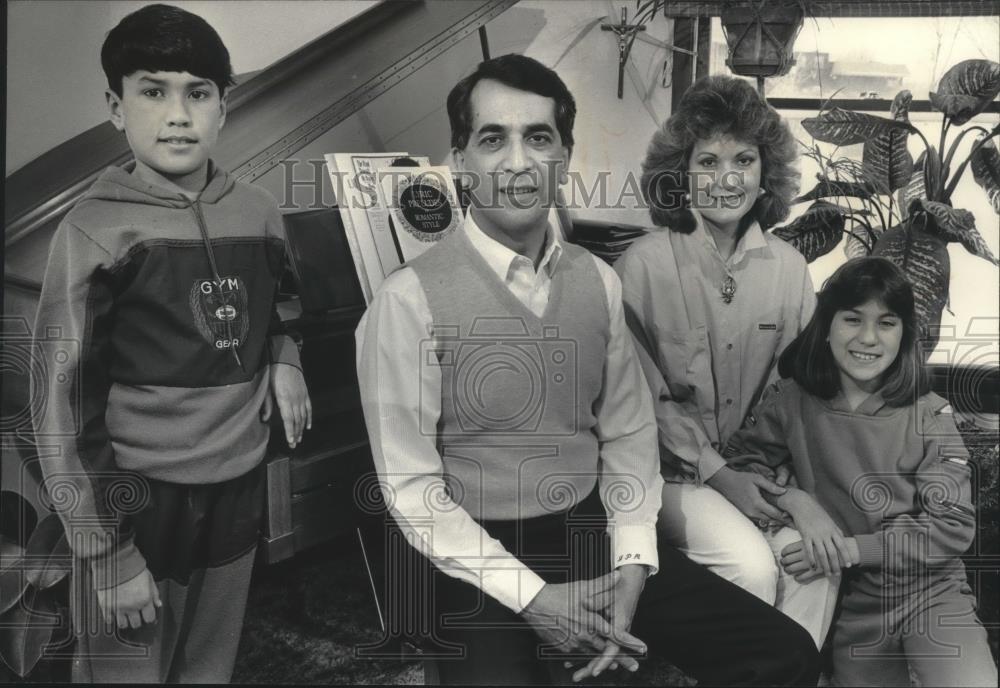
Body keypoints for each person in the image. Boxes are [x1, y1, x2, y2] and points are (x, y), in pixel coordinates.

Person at [355, 53, 819, 685]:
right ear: (460, 161)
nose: (518, 162)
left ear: (564, 157)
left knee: (786, 654)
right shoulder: (404, 301)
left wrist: (633, 564)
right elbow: (411, 491)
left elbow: (629, 437)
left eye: (538, 138)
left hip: (589, 529)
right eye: (493, 139)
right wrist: (534, 600)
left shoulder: (597, 281)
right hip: (475, 551)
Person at [31, 4, 311, 682]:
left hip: (235, 484)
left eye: (199, 93)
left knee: (207, 663)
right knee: (128, 668)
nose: (178, 114)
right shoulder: (95, 229)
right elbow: (59, 402)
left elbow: (285, 300)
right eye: (153, 91)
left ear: (224, 108)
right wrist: (107, 554)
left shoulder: (260, 211)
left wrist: (284, 358)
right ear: (116, 107)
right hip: (136, 496)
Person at [615, 74, 836, 647]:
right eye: (707, 162)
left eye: (743, 159)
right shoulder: (640, 266)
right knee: (753, 568)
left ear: (767, 172)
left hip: (762, 470)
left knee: (815, 559)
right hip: (671, 476)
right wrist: (721, 475)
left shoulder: (790, 268)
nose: (726, 179)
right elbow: (640, 401)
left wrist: (792, 490)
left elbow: (805, 391)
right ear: (679, 172)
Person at [723, 256, 997, 687]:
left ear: (904, 333)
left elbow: (952, 526)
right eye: (853, 319)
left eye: (886, 323)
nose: (868, 338)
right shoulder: (789, 400)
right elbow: (740, 467)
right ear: (826, 325)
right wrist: (796, 500)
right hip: (854, 605)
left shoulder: (930, 416)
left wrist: (853, 548)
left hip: (931, 594)